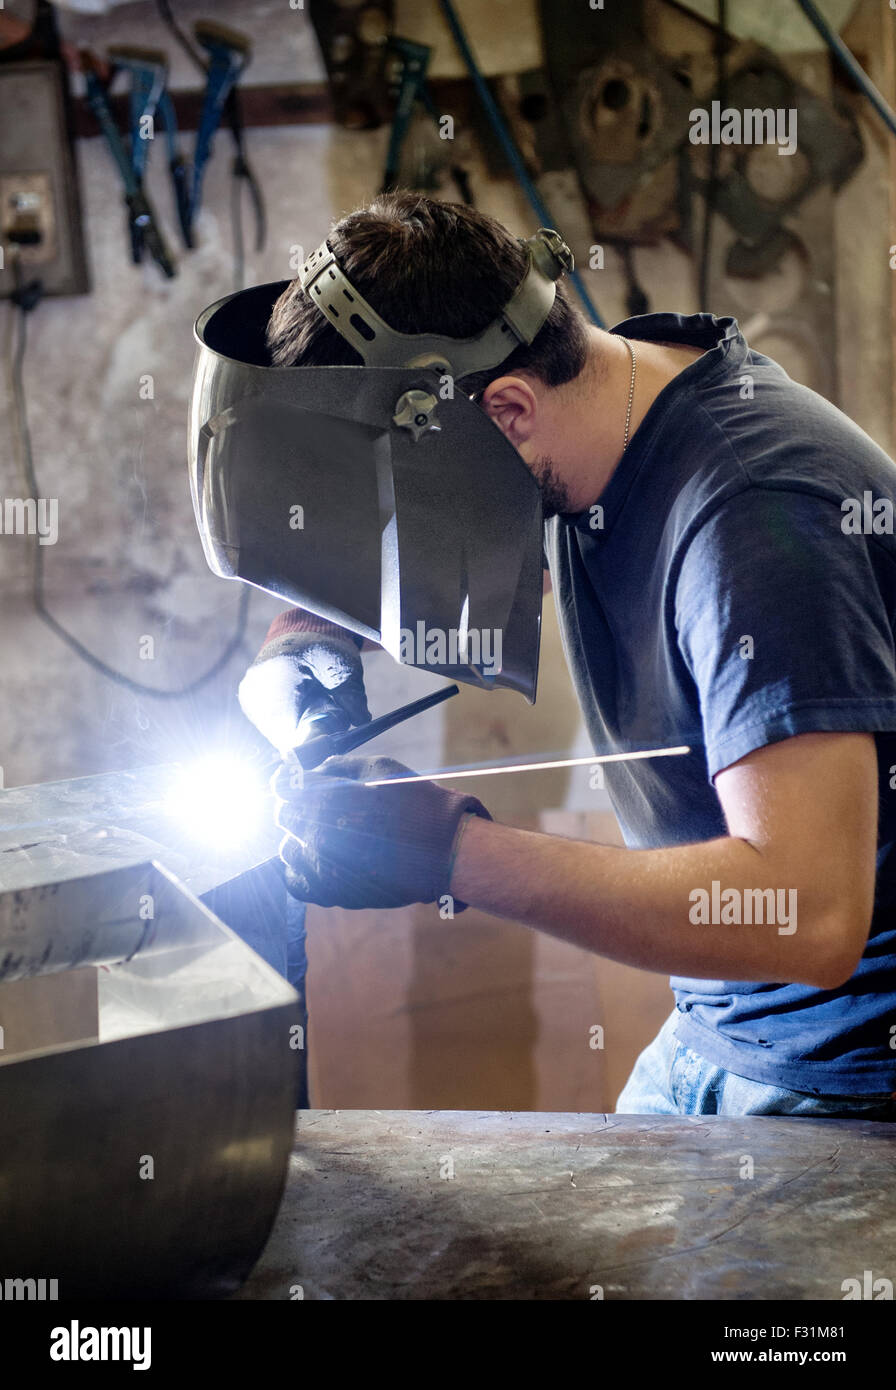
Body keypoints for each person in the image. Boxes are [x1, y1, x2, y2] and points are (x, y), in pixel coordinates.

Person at [237, 192, 896, 1118]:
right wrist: (307, 638)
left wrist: (450, 853)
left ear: (506, 411)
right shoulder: (597, 406)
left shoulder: (753, 519)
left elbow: (806, 914)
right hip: (724, 1022)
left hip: (850, 1064)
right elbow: (426, 508)